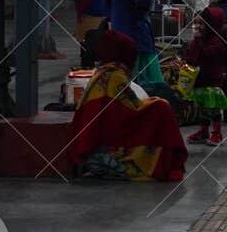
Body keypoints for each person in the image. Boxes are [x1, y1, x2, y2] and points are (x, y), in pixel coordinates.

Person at [68, 29, 187, 181]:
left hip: (97, 137)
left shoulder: (104, 72)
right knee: (161, 107)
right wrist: (155, 104)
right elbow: (129, 113)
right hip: (111, 139)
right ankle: (160, 160)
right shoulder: (115, 75)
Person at [181, 7, 227, 145]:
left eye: (202, 24)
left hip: (211, 82)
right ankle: (203, 131)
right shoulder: (198, 40)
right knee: (202, 108)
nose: (197, 26)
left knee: (213, 108)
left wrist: (197, 43)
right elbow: (192, 57)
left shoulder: (217, 43)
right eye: (196, 23)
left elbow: (205, 55)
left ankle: (217, 132)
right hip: (199, 81)